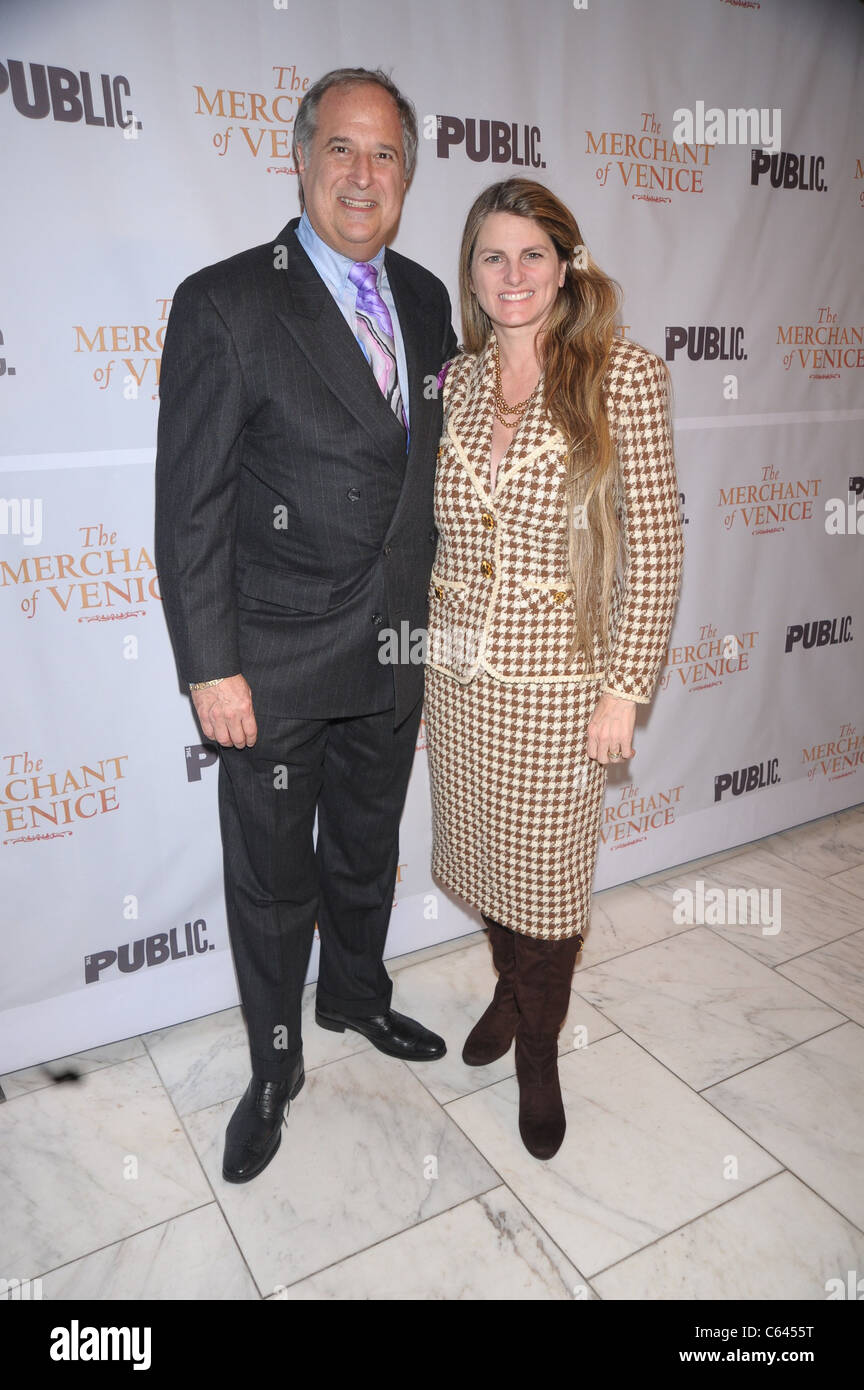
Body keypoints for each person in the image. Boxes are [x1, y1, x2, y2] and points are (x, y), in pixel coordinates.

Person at [155, 68, 458, 1183]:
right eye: (342, 149)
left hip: (393, 650)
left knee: (368, 849)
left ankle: (359, 999)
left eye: (385, 155)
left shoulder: (427, 298)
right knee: (277, 883)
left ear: (409, 175)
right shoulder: (228, 300)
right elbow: (188, 503)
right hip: (274, 663)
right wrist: (212, 668)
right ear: (300, 157)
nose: (362, 175)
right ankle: (275, 1067)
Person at [423, 178, 684, 1160]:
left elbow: (655, 545)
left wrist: (625, 687)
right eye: (493, 256)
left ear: (567, 263)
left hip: (561, 688)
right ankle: (507, 986)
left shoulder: (623, 375)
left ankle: (540, 1052)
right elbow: (442, 543)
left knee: (549, 888)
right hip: (457, 683)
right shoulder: (455, 379)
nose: (512, 273)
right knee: (490, 868)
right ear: (472, 272)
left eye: (533, 253)